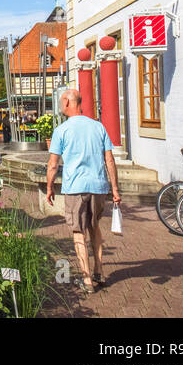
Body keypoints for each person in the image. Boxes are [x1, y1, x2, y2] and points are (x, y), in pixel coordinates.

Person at [45, 88, 121, 294]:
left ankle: (87, 280)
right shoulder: (98, 127)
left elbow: (53, 165)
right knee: (95, 226)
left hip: (75, 188)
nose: (61, 106)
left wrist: (49, 187)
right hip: (98, 186)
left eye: (62, 102)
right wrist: (114, 188)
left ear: (69, 102)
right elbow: (110, 160)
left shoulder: (62, 130)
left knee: (79, 232)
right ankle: (100, 271)